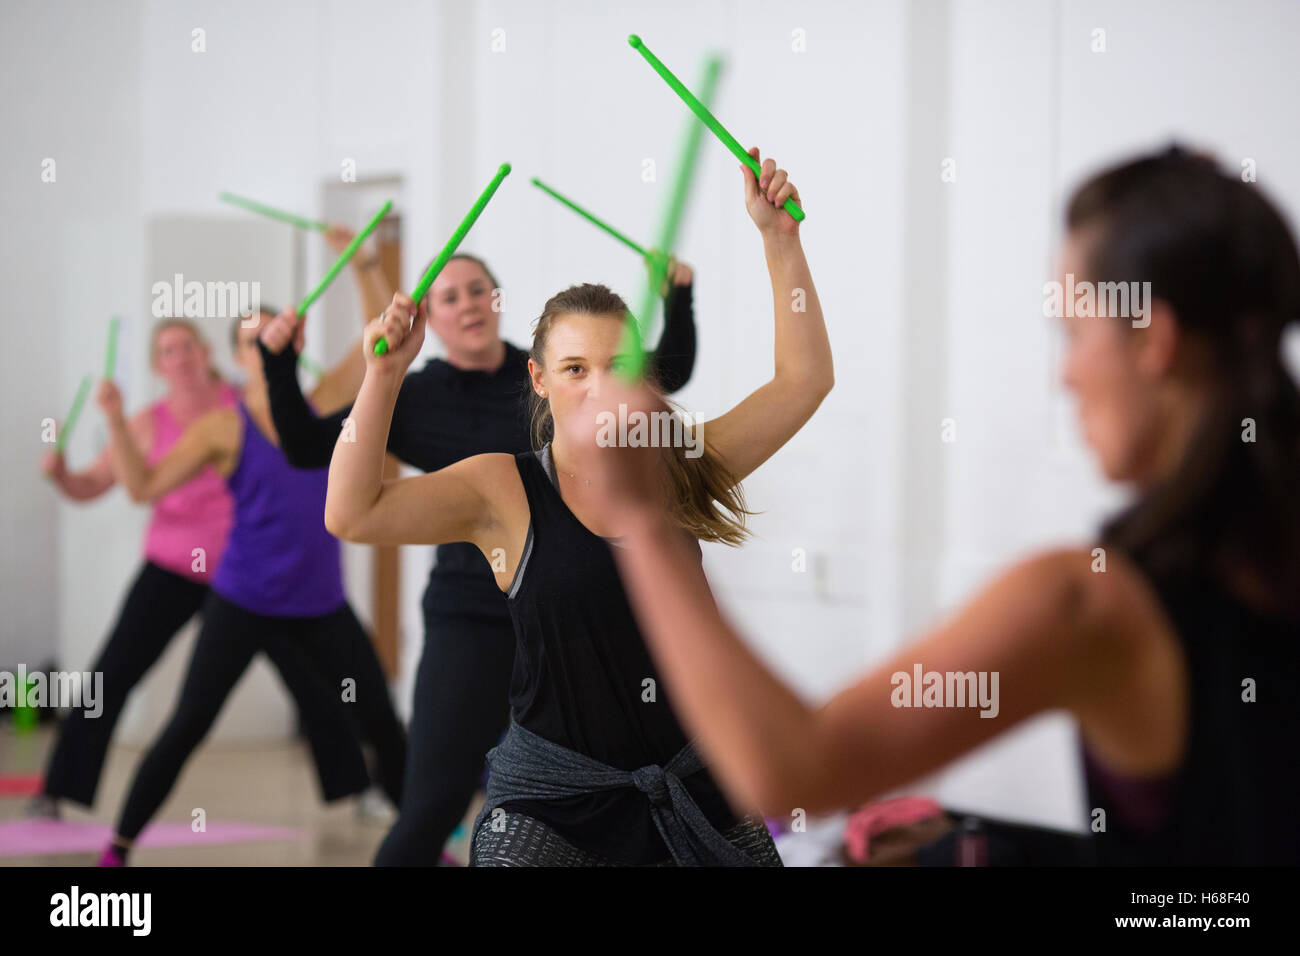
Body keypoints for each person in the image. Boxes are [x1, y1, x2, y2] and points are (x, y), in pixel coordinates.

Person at [568, 146, 1300, 866]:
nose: (1067, 375)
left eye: (1075, 333)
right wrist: (779, 241)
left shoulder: (1094, 602)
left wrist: (642, 518)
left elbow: (794, 771)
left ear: (1155, 341)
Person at [326, 149, 831, 866]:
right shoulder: (503, 488)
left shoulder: (679, 466)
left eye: (617, 367)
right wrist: (382, 375)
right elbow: (354, 513)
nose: (599, 387)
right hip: (552, 806)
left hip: (690, 782)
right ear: (538, 379)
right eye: (574, 369)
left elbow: (804, 382)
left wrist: (781, 241)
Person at [257, 249, 698, 865]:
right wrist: (277, 362)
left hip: (563, 622)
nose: (467, 304)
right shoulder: (419, 396)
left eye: (477, 290)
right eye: (449, 296)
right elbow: (307, 448)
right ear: (427, 319)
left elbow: (658, 375)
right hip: (471, 620)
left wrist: (679, 296)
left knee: (617, 800)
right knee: (433, 806)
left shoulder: (557, 373)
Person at [95, 306, 406, 866]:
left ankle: (421, 845)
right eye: (251, 339)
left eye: (275, 333)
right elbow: (142, 488)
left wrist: (363, 260)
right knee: (189, 722)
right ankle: (117, 849)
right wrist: (116, 421)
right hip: (244, 598)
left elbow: (383, 338)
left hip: (319, 601)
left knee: (379, 715)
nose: (264, 344)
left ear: (296, 340)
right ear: (239, 357)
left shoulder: (327, 397)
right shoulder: (223, 424)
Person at [31, 318, 237, 818]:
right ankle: (57, 790)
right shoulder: (146, 422)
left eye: (187, 346)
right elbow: (93, 485)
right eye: (168, 352)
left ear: (206, 351)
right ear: (156, 366)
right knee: (112, 673)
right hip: (170, 567)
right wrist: (62, 476)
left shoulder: (244, 403)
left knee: (317, 672)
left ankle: (369, 787)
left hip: (242, 570)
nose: (181, 358)